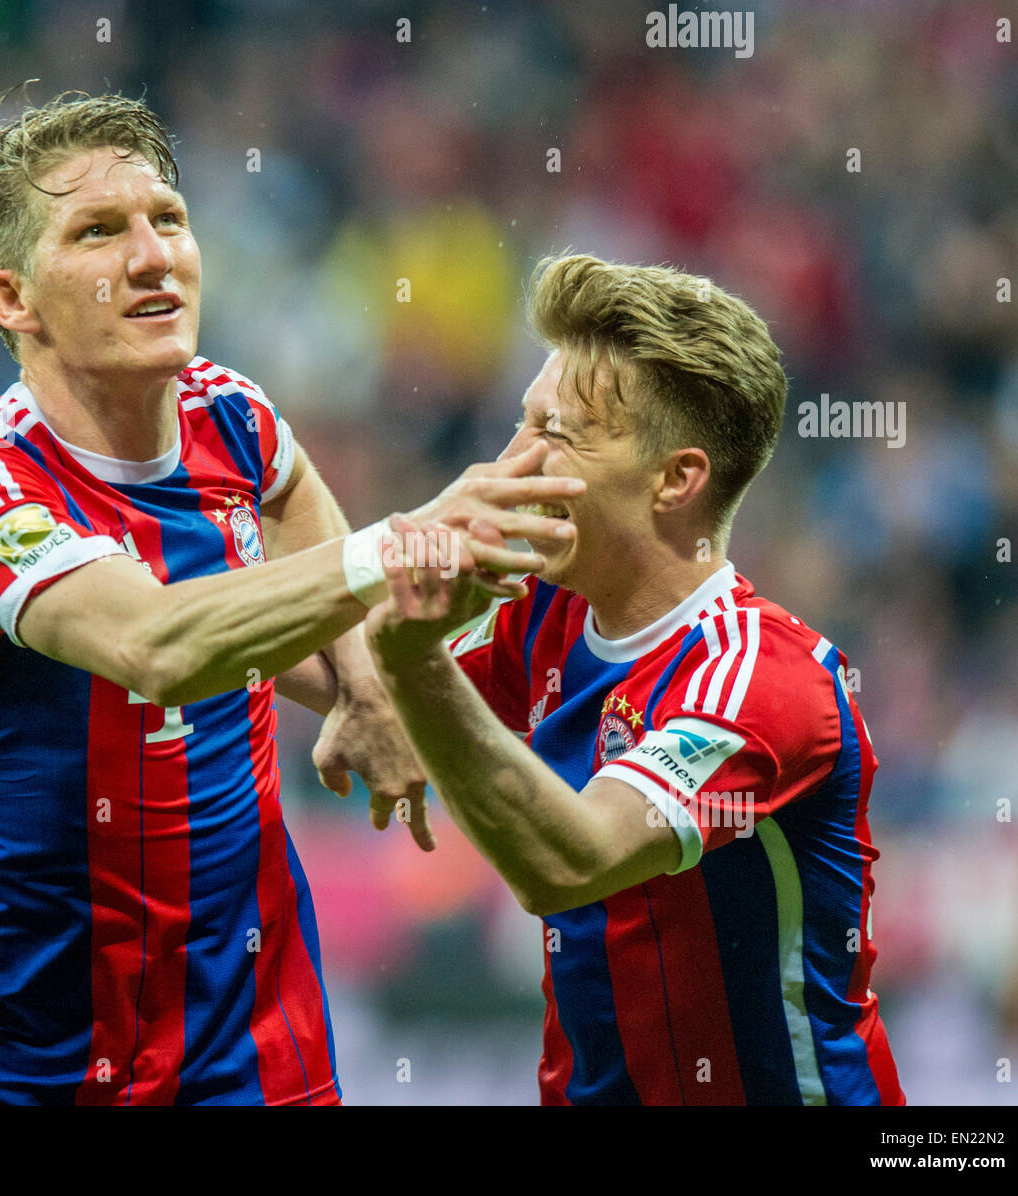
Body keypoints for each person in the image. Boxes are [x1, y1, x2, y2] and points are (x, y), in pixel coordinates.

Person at [0, 91, 582, 1106]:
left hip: (254, 1055)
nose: (151, 254)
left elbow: (317, 565)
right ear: (11, 299)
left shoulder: (234, 418)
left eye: (166, 218)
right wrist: (399, 546)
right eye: (97, 232)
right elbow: (160, 646)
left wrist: (368, 681)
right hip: (19, 1064)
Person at [360, 253, 906, 1105]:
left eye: (558, 435)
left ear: (676, 479)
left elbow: (569, 861)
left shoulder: (759, 680)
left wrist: (407, 666)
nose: (510, 465)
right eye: (521, 422)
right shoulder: (547, 616)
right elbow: (333, 669)